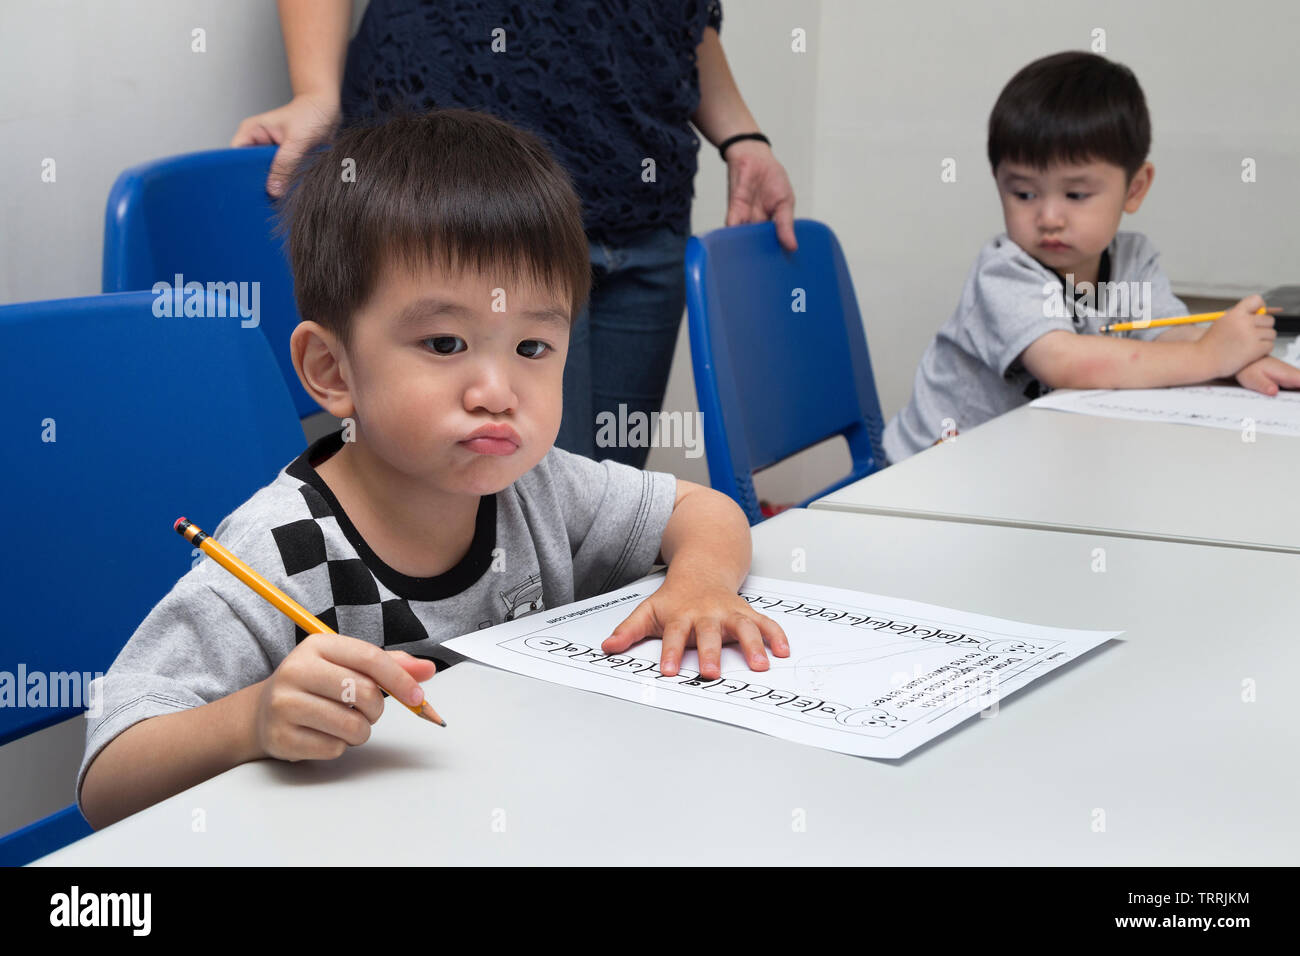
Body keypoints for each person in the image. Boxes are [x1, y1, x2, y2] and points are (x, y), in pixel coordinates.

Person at [78, 110, 790, 829]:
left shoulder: (533, 487)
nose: (497, 393)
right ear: (331, 370)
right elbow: (107, 776)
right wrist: (249, 721)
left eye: (534, 348)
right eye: (446, 342)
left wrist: (700, 585)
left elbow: (703, 511)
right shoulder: (276, 549)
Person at [231, 0, 798, 467]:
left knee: (594, 506)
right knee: (510, 488)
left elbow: (679, 17)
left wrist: (742, 137)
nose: (495, 393)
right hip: (466, 194)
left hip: (646, 191)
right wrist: (315, 88)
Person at [882, 51, 1300, 464]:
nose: (1048, 218)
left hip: (1025, 465)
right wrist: (1209, 356)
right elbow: (1064, 362)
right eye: (1023, 193)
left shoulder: (1133, 259)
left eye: (1076, 195)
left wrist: (1237, 361)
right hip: (927, 472)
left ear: (1134, 189)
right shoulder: (1005, 271)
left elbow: (1166, 333)